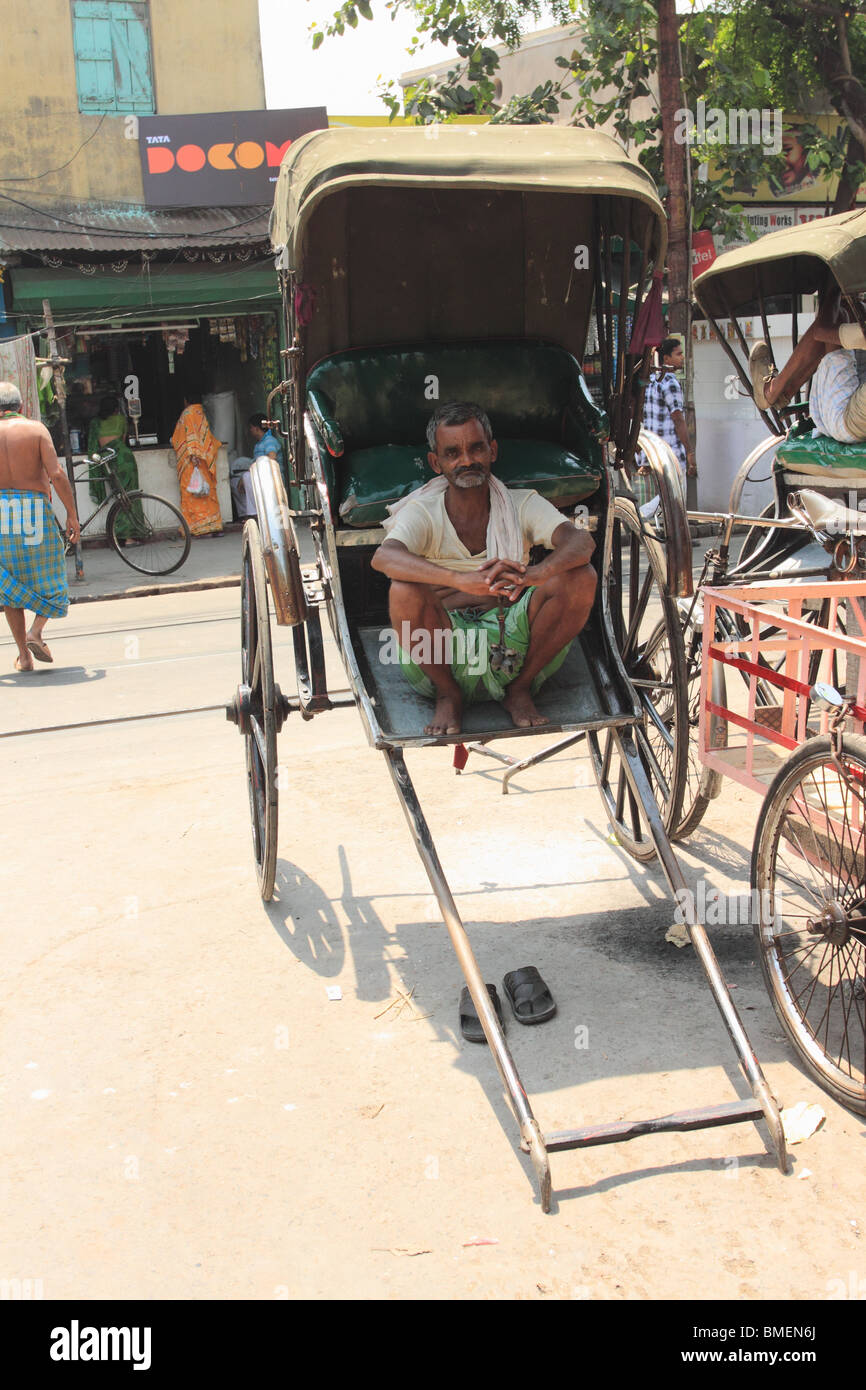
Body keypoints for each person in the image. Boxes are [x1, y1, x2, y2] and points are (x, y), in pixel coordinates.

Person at [371, 400, 596, 737]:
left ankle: (520, 689)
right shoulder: (423, 511)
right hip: (442, 650)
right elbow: (384, 558)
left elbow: (582, 543)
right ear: (436, 462)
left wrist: (537, 573)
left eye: (476, 448)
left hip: (514, 641)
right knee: (403, 588)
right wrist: (460, 580)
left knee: (581, 577)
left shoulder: (522, 503)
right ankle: (448, 693)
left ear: (492, 451)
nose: (467, 461)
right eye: (453, 453)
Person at [0, 381, 79, 671]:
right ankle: (36, 631)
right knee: (52, 574)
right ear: (20, 407)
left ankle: (24, 656)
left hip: (1, 516)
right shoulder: (35, 429)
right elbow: (56, 475)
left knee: (9, 586)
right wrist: (71, 514)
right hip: (34, 511)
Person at [749, 292, 866, 441]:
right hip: (858, 416)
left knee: (838, 317)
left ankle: (772, 391)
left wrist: (834, 292)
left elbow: (820, 332)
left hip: (844, 422)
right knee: (851, 313)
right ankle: (784, 392)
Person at [634, 337, 697, 500]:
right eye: (679, 354)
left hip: (652, 453)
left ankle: (641, 519)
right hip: (670, 454)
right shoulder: (670, 383)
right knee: (675, 502)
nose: (682, 357)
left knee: (660, 502)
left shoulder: (652, 381)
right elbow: (678, 419)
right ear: (666, 359)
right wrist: (690, 452)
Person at [87, 394, 142, 543]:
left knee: (120, 497)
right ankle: (130, 534)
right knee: (130, 496)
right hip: (125, 458)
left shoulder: (95, 423)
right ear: (117, 409)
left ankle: (124, 535)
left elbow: (93, 447)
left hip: (108, 461)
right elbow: (122, 441)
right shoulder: (121, 420)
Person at [171, 389, 223, 537]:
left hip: (191, 460)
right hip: (204, 460)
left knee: (193, 495)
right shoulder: (201, 412)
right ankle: (214, 526)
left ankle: (199, 528)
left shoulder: (188, 413)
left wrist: (193, 455)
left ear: (186, 401)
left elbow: (189, 435)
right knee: (208, 492)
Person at [230, 413, 284, 520]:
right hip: (261, 475)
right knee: (236, 481)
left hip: (272, 477)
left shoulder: (269, 441)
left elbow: (271, 457)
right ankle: (246, 513)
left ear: (256, 428)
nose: (250, 430)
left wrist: (251, 471)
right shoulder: (260, 443)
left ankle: (255, 514)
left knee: (247, 477)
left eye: (251, 427)